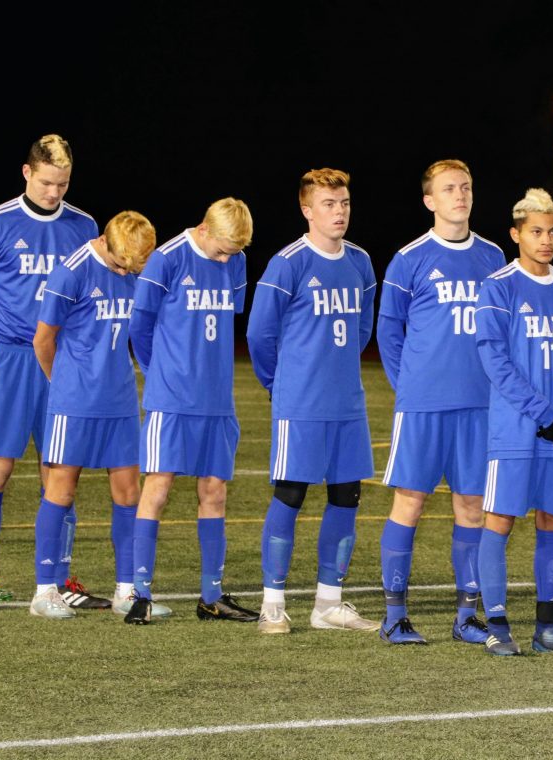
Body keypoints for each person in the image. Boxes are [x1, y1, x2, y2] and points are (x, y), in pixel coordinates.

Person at [0, 135, 104, 611]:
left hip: (61, 362)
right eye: (45, 182)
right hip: (8, 360)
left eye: (62, 183)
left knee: (60, 472)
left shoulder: (83, 225)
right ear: (26, 173)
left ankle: (60, 579)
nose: (53, 192)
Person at [376, 160, 505, 644]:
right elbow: (389, 329)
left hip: (480, 404)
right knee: (409, 501)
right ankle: (395, 615)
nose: (460, 195)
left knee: (472, 507)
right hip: (424, 405)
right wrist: (406, 383)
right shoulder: (409, 258)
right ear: (430, 200)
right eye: (449, 188)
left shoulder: (493, 257)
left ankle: (466, 615)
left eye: (466, 187)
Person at [248, 168, 378, 635]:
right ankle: (273, 603)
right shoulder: (288, 262)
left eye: (343, 203)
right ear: (307, 210)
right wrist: (278, 385)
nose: (339, 212)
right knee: (291, 495)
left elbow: (362, 328)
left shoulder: (360, 262)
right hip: (300, 404)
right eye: (328, 204)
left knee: (347, 497)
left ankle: (328, 603)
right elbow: (259, 334)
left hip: (348, 403)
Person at [124, 198, 256, 624]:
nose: (225, 259)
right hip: (171, 400)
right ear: (203, 227)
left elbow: (222, 324)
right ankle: (139, 592)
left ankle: (211, 596)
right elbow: (140, 326)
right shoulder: (167, 259)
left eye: (232, 253)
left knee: (214, 492)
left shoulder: (236, 260)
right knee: (158, 489)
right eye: (221, 250)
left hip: (217, 400)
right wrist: (159, 374)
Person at [473, 188, 553, 656]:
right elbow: (495, 361)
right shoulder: (498, 287)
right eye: (536, 232)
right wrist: (545, 412)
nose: (546, 240)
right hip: (517, 431)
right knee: (499, 520)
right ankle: (498, 626)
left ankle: (548, 627)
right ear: (516, 234)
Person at [28, 211, 161, 619]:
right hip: (76, 402)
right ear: (107, 240)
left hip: (120, 400)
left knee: (128, 495)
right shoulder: (72, 271)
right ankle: (45, 591)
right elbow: (43, 340)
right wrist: (66, 385)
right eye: (124, 263)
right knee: (61, 492)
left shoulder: (134, 263)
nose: (128, 271)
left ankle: (126, 591)